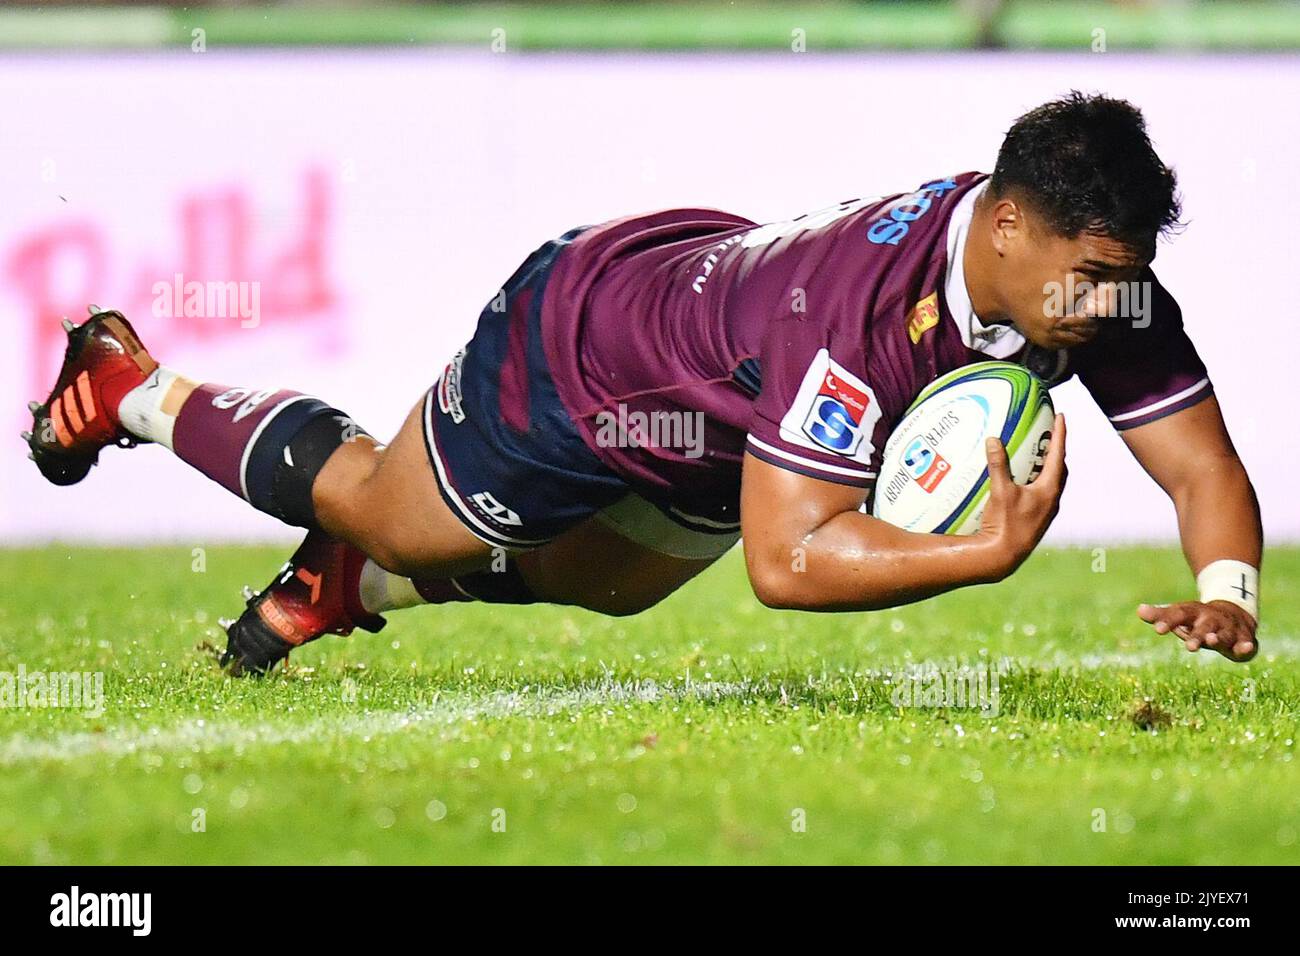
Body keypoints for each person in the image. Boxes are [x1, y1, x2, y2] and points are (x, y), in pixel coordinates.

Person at [24, 92, 1261, 674]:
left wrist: (1227, 589)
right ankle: (131, 383)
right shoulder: (852, 317)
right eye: (1090, 274)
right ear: (1003, 229)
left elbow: (1198, 461)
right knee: (381, 498)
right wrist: (979, 553)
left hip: (720, 395)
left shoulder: (1100, 292)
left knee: (603, 589)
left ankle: (361, 584)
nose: (1107, 303)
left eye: (1126, 276)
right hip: (587, 345)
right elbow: (789, 566)